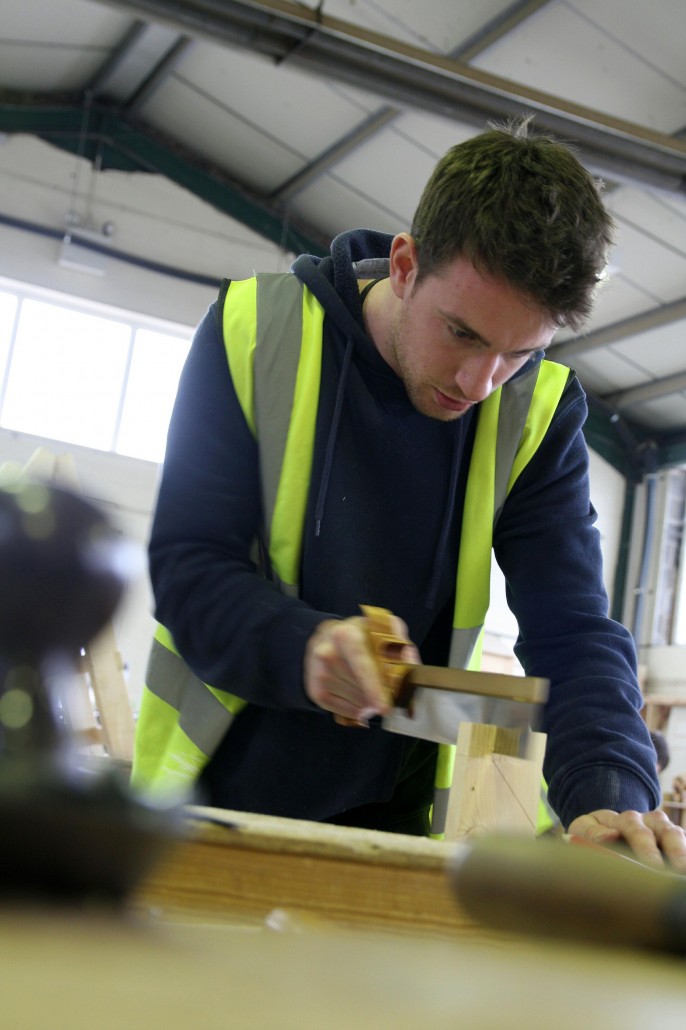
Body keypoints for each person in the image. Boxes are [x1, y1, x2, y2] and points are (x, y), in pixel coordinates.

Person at [132, 117, 686, 870]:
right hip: (208, 802)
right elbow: (190, 569)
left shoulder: (539, 415)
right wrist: (307, 648)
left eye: (519, 353)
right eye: (461, 333)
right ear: (403, 265)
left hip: (386, 823)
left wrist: (610, 795)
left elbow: (574, 632)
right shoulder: (254, 331)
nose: (478, 383)